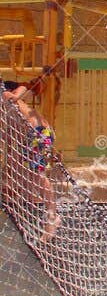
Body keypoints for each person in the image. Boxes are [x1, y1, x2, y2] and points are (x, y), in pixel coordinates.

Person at [6, 83, 57, 242]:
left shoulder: (5, 96)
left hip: (38, 132)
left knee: (36, 175)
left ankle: (52, 216)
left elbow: (23, 88)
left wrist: (18, 94)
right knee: (27, 174)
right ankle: (28, 213)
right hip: (30, 136)